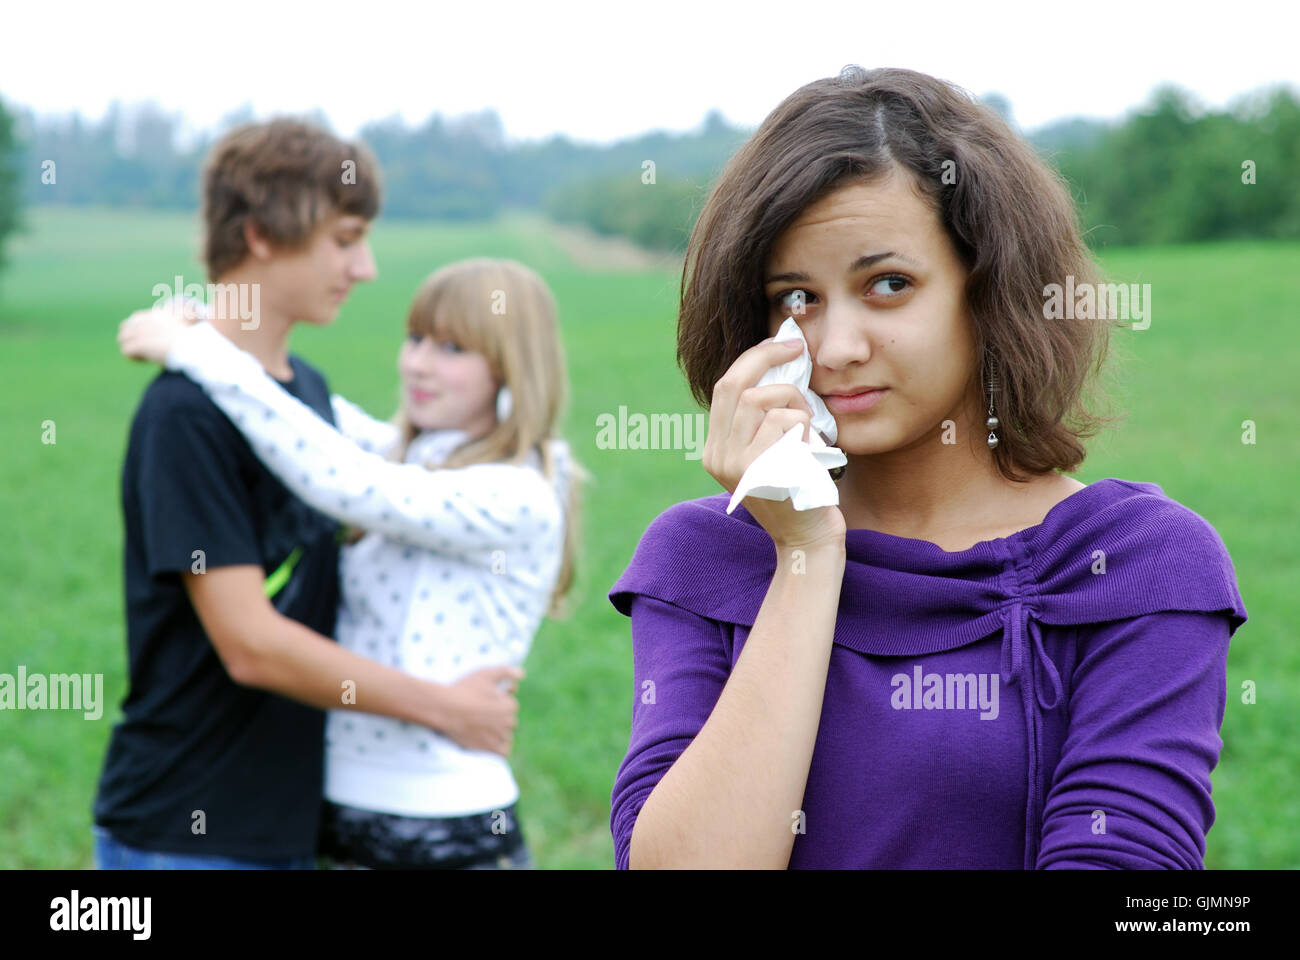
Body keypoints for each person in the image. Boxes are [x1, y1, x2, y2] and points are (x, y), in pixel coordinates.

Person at [607, 66, 1249, 869]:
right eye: (796, 298)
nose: (837, 347)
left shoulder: (1135, 564)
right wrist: (805, 551)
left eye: (888, 285)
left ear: (990, 291)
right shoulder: (706, 556)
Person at [94, 118, 522, 870]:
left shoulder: (304, 395)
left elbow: (394, 488)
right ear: (261, 234)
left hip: (289, 823)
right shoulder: (185, 417)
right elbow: (252, 646)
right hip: (188, 830)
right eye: (346, 238)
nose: (365, 268)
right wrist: (444, 707)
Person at [118, 257, 584, 869]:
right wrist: (215, 331)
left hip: (443, 825)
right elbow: (296, 415)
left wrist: (197, 351)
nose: (418, 363)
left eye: (451, 348)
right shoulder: (408, 456)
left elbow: (342, 477)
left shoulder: (517, 493)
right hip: (329, 812)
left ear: (510, 367)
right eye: (415, 338)